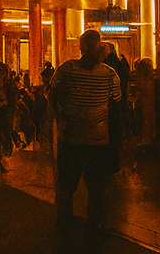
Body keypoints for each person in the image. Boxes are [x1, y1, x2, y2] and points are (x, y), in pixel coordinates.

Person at [49, 30, 122, 243]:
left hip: (87, 140)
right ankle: (87, 223)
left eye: (96, 46)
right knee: (83, 185)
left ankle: (78, 222)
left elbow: (53, 98)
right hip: (82, 140)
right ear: (83, 47)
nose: (94, 50)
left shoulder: (106, 74)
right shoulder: (103, 74)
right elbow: (116, 110)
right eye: (91, 45)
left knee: (88, 185)